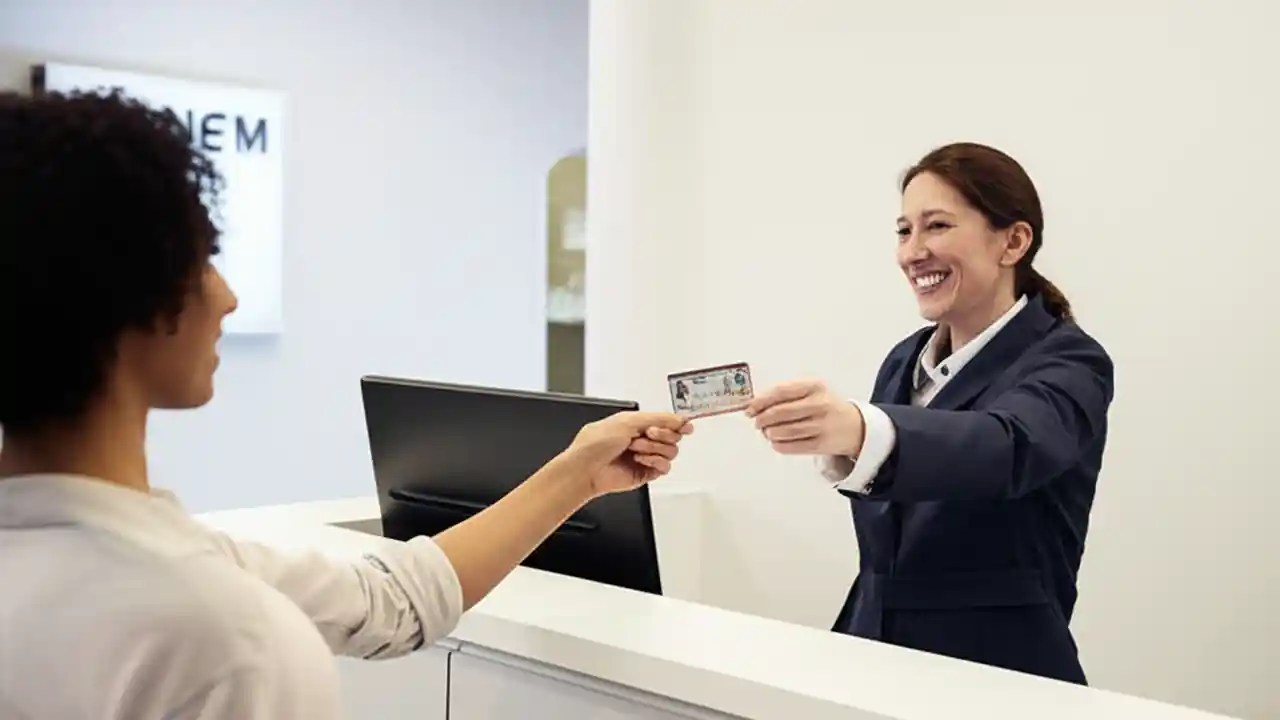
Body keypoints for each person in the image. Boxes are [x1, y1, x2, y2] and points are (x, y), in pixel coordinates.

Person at [0, 90, 692, 719]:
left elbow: (391, 602)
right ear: (129, 296)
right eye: (203, 259)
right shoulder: (227, 644)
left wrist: (578, 474)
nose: (227, 297)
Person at [747, 142, 1114, 684]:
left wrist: (859, 429)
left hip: (997, 674)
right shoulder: (904, 359)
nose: (912, 253)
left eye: (937, 226)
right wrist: (835, 440)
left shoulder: (1071, 361)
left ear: (1013, 241)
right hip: (872, 657)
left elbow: (1008, 446)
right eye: (904, 231)